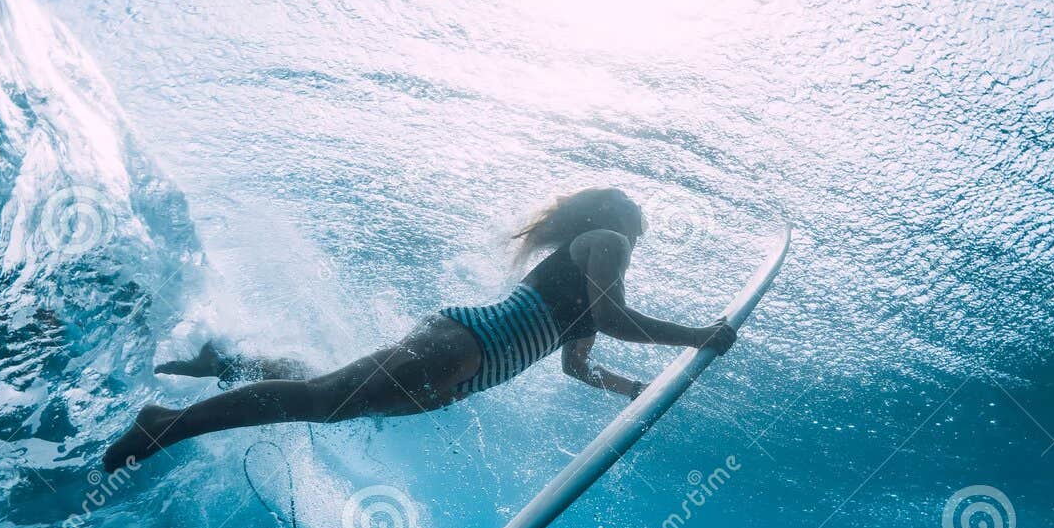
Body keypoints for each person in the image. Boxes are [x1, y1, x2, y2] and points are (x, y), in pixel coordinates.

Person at [103, 187, 735, 472]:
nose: (639, 233)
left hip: (462, 374)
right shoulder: (609, 240)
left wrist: (633, 392)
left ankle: (227, 363)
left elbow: (577, 365)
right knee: (324, 401)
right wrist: (699, 337)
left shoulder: (591, 282)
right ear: (618, 218)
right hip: (465, 345)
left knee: (327, 394)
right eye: (638, 222)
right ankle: (166, 423)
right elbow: (614, 320)